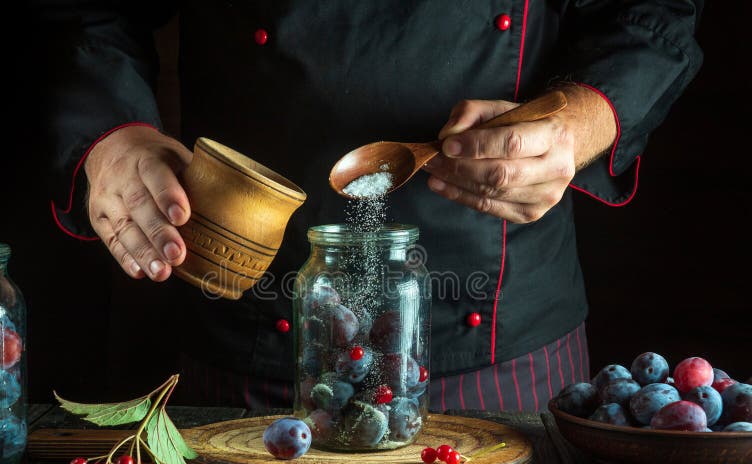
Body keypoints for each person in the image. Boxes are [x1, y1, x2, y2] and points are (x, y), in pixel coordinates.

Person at [36, 1, 703, 411]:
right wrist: (114, 137)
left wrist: (574, 125)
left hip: (506, 354)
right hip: (250, 345)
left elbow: (653, 11)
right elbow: (87, 10)